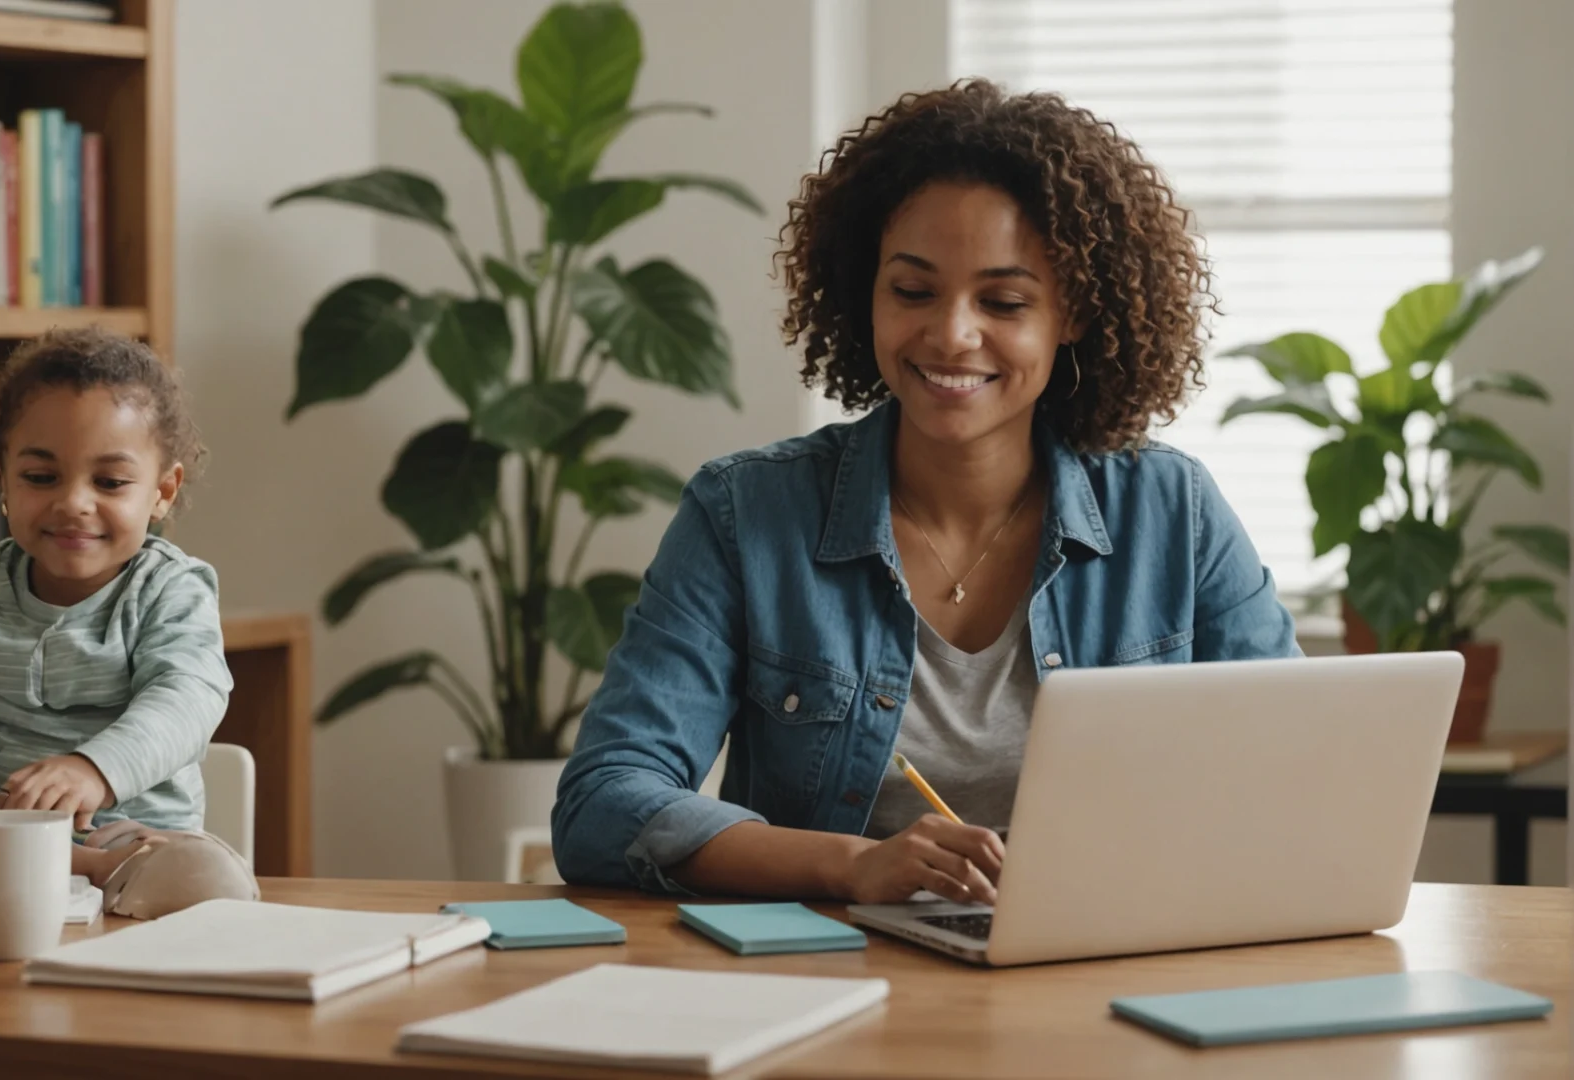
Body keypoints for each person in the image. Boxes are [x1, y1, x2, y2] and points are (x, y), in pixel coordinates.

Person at [551, 79, 1300, 904]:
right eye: (912, 291)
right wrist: (851, 866)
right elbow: (604, 800)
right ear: (862, 291)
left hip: (1106, 967)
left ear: (1073, 314)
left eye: (1003, 301)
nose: (950, 334)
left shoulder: (1173, 514)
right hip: (823, 979)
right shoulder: (745, 514)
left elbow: (1299, 770)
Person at [0, 327, 234, 886]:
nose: (73, 503)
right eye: (41, 478)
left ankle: (89, 869)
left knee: (205, 876)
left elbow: (188, 697)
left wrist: (95, 769)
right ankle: (53, 872)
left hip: (129, 834)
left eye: (111, 481)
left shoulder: (171, 589)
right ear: (2, 481)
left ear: (162, 493)